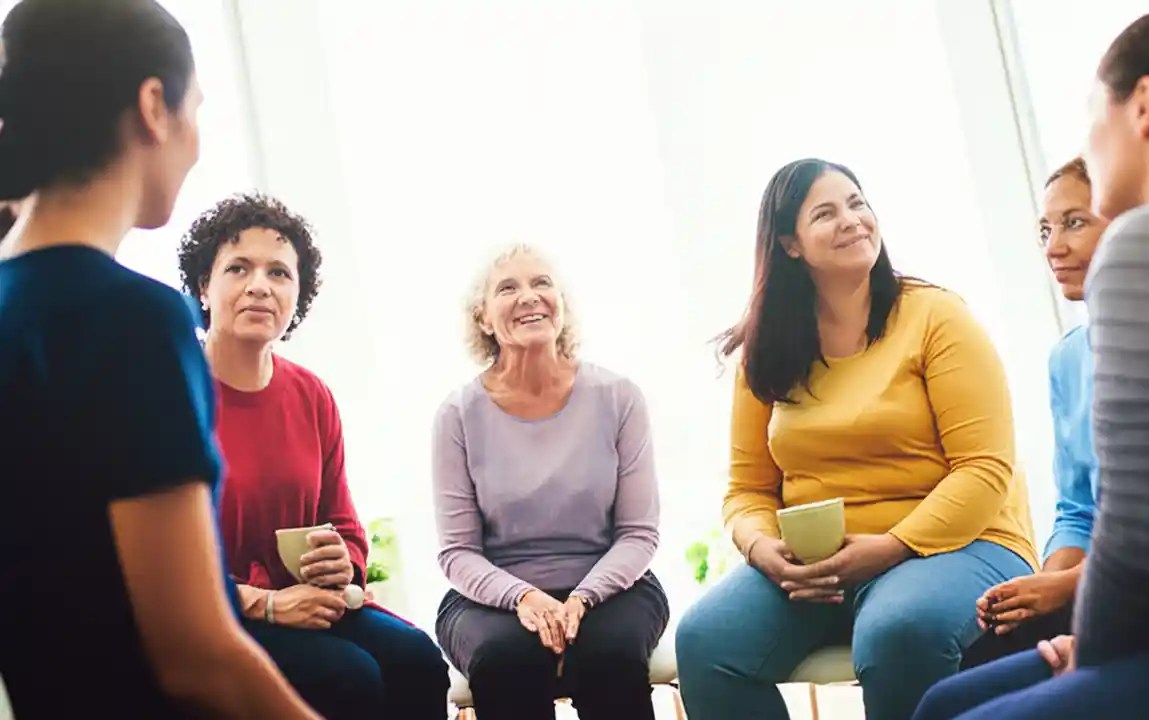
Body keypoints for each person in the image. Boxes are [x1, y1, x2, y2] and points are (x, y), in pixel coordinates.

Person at [914, 3, 1149, 718]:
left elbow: (1146, 534)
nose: (1090, 141)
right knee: (942, 705)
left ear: (1145, 105)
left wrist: (1096, 653)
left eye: (1093, 117)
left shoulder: (1148, 245)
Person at [0, 1, 318, 718]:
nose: (198, 141)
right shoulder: (130, 319)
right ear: (153, 106)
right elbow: (197, 653)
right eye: (196, 109)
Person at [674, 158, 1038, 720]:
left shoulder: (936, 317)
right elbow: (747, 489)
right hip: (821, 567)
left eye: (857, 203)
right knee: (706, 642)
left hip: (963, 543)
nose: (851, 220)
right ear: (790, 244)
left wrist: (891, 547)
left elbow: (984, 470)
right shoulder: (767, 347)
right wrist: (761, 548)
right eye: (825, 213)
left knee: (897, 631)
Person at [177, 192, 452, 720]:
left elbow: (346, 525)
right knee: (349, 677)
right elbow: (159, 568)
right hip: (216, 615)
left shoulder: (312, 395)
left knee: (417, 660)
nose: (260, 284)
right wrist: (270, 605)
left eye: (279, 273)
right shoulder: (170, 388)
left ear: (296, 298)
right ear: (203, 288)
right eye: (239, 267)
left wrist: (340, 560)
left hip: (311, 603)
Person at [432, 244, 668, 720]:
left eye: (542, 283)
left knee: (609, 658)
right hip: (490, 597)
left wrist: (583, 597)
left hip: (611, 587)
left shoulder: (619, 398)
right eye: (508, 288)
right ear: (483, 318)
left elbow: (639, 534)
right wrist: (523, 596)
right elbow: (457, 552)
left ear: (562, 305)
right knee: (507, 662)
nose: (529, 297)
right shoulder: (457, 415)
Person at [960, 158, 1110, 670]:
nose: (1054, 247)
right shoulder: (1068, 359)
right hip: (1097, 582)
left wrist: (1066, 588)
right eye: (1046, 229)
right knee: (977, 664)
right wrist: (1043, 588)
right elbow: (1076, 511)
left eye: (1075, 222)